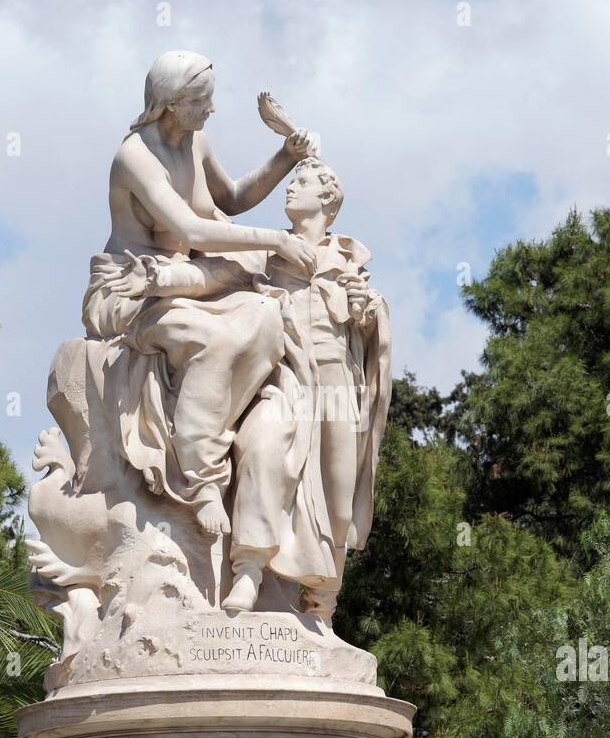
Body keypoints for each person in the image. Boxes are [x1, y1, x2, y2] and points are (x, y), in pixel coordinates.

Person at [96, 158, 390, 624]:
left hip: (336, 385)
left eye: (304, 182)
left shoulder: (348, 261)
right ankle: (249, 568)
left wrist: (367, 312)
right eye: (292, 181)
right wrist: (156, 278)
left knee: (339, 497)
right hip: (287, 378)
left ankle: (322, 604)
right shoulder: (265, 255)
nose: (291, 189)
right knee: (262, 443)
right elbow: (208, 276)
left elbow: (370, 324)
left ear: (328, 200)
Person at [83, 50, 319, 536]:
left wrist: (285, 157)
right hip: (133, 289)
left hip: (192, 278)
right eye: (202, 102)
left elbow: (230, 200)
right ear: (171, 102)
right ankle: (202, 476)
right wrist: (276, 239)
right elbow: (194, 228)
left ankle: (216, 435)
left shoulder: (196, 141)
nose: (211, 111)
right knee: (211, 338)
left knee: (264, 318)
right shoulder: (135, 156)